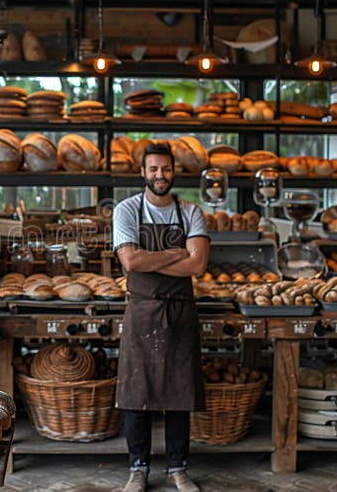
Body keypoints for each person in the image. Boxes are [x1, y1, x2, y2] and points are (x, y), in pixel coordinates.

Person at [112, 143, 210, 492]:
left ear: (174, 171)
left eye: (166, 169)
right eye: (153, 169)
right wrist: (175, 253)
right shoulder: (126, 209)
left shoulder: (191, 212)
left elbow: (198, 265)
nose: (160, 175)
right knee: (136, 392)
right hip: (141, 310)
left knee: (180, 393)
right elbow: (130, 262)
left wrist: (150, 257)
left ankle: (177, 468)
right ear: (143, 172)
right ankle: (138, 469)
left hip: (181, 311)